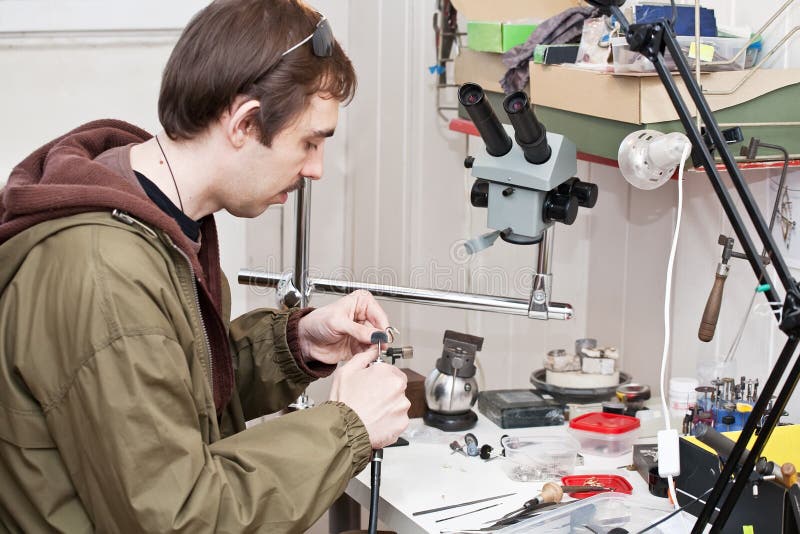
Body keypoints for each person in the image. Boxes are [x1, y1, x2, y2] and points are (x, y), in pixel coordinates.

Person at [0, 0, 410, 532]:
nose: (317, 169)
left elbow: (168, 392)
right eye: (309, 142)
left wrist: (296, 345)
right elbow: (180, 518)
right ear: (244, 122)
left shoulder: (153, 212)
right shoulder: (107, 273)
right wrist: (347, 428)